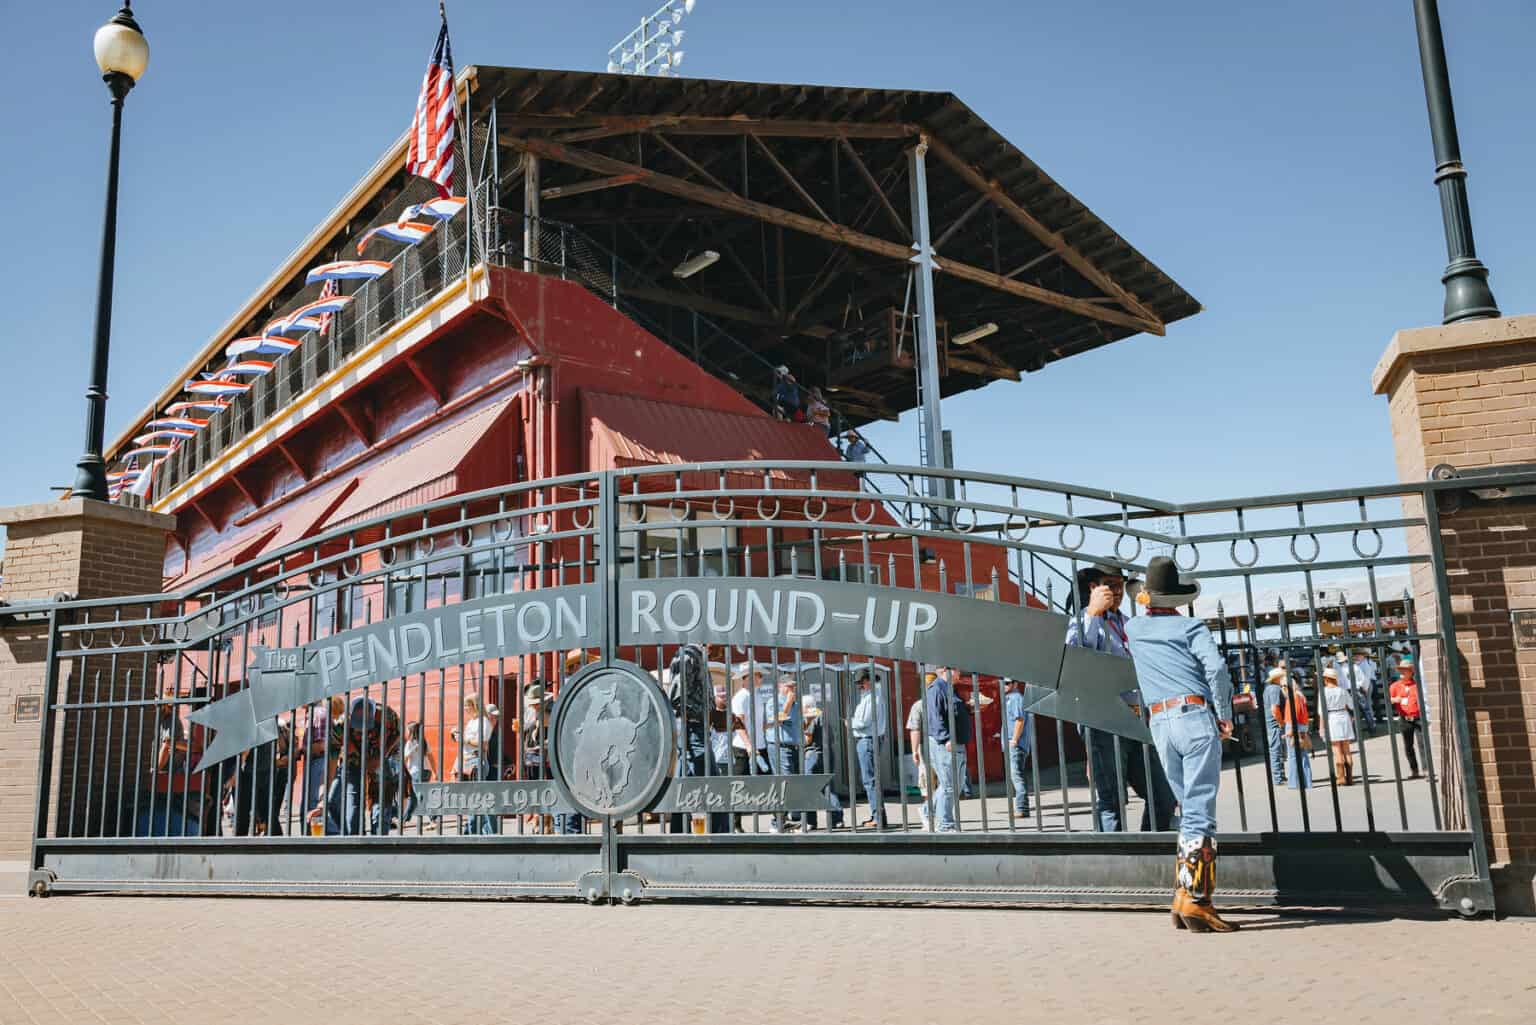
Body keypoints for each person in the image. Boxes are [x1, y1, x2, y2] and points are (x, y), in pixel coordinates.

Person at [1125, 556, 1240, 933]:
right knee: (1199, 811)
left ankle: (1182, 895)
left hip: (1160, 721)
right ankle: (1197, 900)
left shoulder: (1134, 629)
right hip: (1193, 716)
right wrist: (1224, 713)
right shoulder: (1191, 627)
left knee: (1186, 809)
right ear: (1177, 597)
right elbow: (1218, 669)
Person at [1065, 563, 1177, 832]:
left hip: (1138, 721)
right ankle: (1111, 865)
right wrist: (1093, 611)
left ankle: (1148, 852)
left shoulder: (1127, 623)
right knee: (1111, 801)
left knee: (1163, 796)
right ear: (1093, 588)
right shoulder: (1082, 619)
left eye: (1120, 586)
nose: (1117, 591)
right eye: (1110, 585)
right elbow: (1072, 656)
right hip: (1105, 721)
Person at [667, 644, 730, 834]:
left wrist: (712, 714)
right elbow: (676, 695)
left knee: (685, 785)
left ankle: (679, 832)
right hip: (692, 729)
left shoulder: (696, 656)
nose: (723, 651)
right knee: (713, 786)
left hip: (696, 728)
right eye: (720, 646)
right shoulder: (688, 655)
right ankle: (721, 834)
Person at [923, 665, 968, 832]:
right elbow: (935, 718)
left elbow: (951, 712)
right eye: (957, 669)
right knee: (950, 785)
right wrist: (945, 738)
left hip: (956, 742)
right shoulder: (936, 689)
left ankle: (928, 811)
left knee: (955, 784)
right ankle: (945, 824)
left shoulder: (949, 688)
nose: (959, 673)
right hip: (946, 744)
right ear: (944, 670)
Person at [456, 693, 501, 835]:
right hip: (468, 760)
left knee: (478, 799)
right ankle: (474, 831)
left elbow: (483, 744)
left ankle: (475, 832)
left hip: (477, 760)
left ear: (474, 705)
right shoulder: (472, 722)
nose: (465, 708)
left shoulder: (483, 721)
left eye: (467, 705)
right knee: (474, 798)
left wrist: (464, 739)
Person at [849, 670, 887, 828]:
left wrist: (850, 722)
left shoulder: (872, 698)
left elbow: (862, 722)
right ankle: (878, 816)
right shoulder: (872, 696)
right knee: (871, 780)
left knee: (869, 780)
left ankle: (878, 817)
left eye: (861, 683)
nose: (859, 686)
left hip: (867, 740)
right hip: (870, 739)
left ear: (868, 681)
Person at [800, 694, 843, 830]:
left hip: (813, 755)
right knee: (829, 787)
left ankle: (810, 821)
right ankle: (837, 819)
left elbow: (807, 739)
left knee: (809, 788)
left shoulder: (811, 716)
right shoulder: (822, 714)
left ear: (806, 706)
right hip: (827, 754)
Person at [767, 677, 804, 833]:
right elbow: (777, 720)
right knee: (784, 782)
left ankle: (789, 819)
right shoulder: (772, 702)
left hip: (793, 746)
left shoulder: (796, 703)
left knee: (792, 782)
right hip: (779, 746)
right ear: (780, 686)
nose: (792, 690)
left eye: (793, 687)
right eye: (789, 687)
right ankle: (777, 822)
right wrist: (788, 702)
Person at [1270, 667, 1312, 791]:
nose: (1282, 689)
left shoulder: (1293, 697)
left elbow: (1294, 714)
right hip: (1299, 726)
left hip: (1293, 725)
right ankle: (1306, 781)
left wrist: (1290, 730)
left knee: (1293, 756)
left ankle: (1294, 782)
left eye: (1284, 686)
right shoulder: (1298, 695)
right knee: (1302, 755)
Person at [1002, 678, 1032, 817]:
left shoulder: (1015, 698)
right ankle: (1022, 807)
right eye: (1002, 682)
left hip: (1016, 744)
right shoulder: (1012, 698)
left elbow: (1020, 720)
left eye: (1007, 683)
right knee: (1018, 775)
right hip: (1016, 743)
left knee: (1016, 776)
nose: (1003, 685)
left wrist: (1014, 739)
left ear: (1015, 684)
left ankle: (1022, 808)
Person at [1389, 657, 1424, 778]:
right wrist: (1394, 700)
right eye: (1401, 670)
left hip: (1418, 718)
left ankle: (1426, 770)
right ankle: (1414, 770)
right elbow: (1389, 699)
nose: (1403, 672)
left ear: (1411, 671)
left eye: (1406, 670)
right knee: (1408, 746)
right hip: (1405, 719)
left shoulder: (1417, 685)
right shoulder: (1395, 686)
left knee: (1422, 744)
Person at [1322, 666, 1356, 786]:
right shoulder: (1342, 690)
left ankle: (1341, 777)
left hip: (1332, 718)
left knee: (1336, 749)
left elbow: (1321, 712)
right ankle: (1350, 777)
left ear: (1326, 679)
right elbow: (1351, 706)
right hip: (1344, 716)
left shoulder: (1324, 692)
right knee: (1346, 749)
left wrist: (1321, 727)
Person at [906, 692, 932, 829]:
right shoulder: (946, 700)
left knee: (927, 781)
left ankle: (929, 813)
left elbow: (914, 729)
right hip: (941, 746)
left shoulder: (919, 705)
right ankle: (931, 813)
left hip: (926, 747)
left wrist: (914, 750)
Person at [403, 720, 436, 824]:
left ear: (411, 731)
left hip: (416, 772)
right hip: (426, 771)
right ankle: (404, 819)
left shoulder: (410, 743)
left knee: (421, 796)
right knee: (413, 797)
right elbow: (431, 758)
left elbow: (405, 758)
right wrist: (435, 772)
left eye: (407, 730)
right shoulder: (424, 742)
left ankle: (434, 819)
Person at [1261, 665, 1288, 786]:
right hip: (1275, 723)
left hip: (1272, 723)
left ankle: (1279, 776)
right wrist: (1281, 723)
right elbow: (1275, 709)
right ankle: (1278, 777)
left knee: (1276, 749)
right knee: (1276, 750)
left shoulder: (1269, 688)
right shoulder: (1275, 689)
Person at [1349, 649, 1379, 732]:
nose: (1356, 656)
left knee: (1367, 707)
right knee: (1366, 707)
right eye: (1356, 654)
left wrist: (1364, 689)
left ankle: (1372, 725)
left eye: (1358, 654)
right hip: (1362, 687)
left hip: (1365, 687)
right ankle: (1370, 725)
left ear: (1363, 656)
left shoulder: (1364, 664)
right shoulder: (1360, 664)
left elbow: (1366, 678)